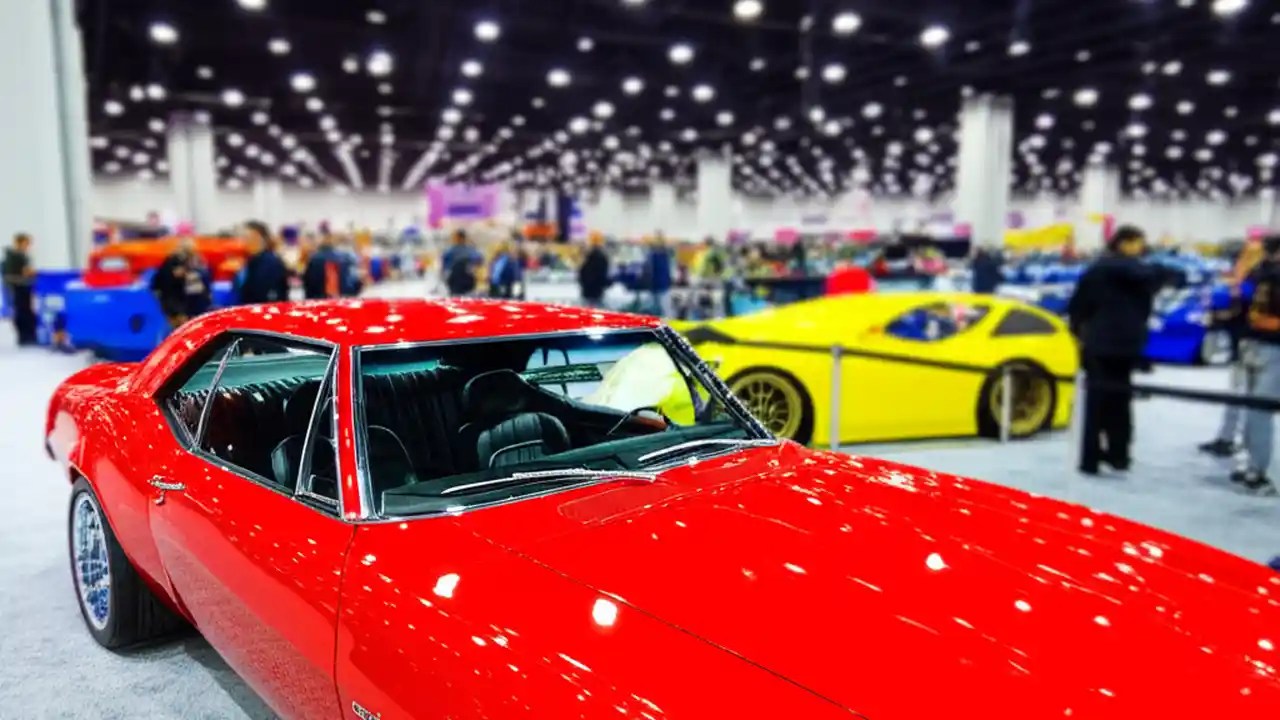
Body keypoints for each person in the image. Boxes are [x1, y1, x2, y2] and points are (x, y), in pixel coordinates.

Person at [1066, 225, 1164, 476]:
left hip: (1098, 343)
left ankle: (1090, 459)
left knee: (1095, 403)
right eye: (1138, 242)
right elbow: (1161, 286)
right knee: (1121, 401)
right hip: (1128, 345)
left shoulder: (1096, 270)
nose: (1141, 248)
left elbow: (1077, 307)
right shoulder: (1145, 273)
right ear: (1125, 243)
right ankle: (1119, 455)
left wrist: (1078, 334)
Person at [1199, 241, 1264, 458]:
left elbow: (1241, 306)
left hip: (1249, 342)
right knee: (1246, 394)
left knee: (1242, 393)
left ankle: (1233, 440)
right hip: (1247, 341)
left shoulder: (1254, 279)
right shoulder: (1250, 278)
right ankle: (1238, 440)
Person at [1232, 234, 1280, 495]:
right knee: (1262, 409)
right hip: (1274, 347)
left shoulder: (1256, 273)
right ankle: (1257, 471)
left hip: (1249, 343)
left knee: (1252, 406)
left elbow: (1238, 302)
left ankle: (1250, 464)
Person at [150, 234, 212, 329]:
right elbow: (167, 278)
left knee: (185, 326)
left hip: (189, 301)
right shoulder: (173, 261)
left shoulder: (196, 262)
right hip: (174, 299)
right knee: (181, 327)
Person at [235, 221, 290, 304]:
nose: (240, 241)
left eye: (244, 237)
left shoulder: (271, 264)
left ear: (256, 236)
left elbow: (273, 295)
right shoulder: (249, 261)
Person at [2, 233, 37, 345]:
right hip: (17, 288)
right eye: (26, 243)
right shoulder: (13, 257)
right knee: (21, 313)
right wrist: (26, 276)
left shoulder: (22, 256)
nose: (28, 246)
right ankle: (24, 337)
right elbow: (10, 276)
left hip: (24, 287)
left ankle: (29, 336)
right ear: (19, 243)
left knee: (27, 312)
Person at [302, 232, 343, 300]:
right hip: (336, 297)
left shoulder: (314, 258)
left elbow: (308, 279)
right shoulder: (340, 258)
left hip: (317, 297)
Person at [441, 229, 480, 296]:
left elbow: (445, 266)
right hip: (467, 280)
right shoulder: (470, 250)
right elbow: (479, 260)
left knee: (456, 298)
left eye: (455, 238)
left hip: (456, 280)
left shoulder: (451, 251)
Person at [643, 234, 674, 316]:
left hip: (661, 286)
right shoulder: (656, 256)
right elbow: (649, 271)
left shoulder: (662, 255)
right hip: (657, 286)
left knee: (663, 308)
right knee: (658, 308)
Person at [578, 234, 611, 307]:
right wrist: (608, 282)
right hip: (596, 291)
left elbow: (582, 274)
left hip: (588, 291)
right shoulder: (601, 257)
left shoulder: (588, 257)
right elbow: (602, 275)